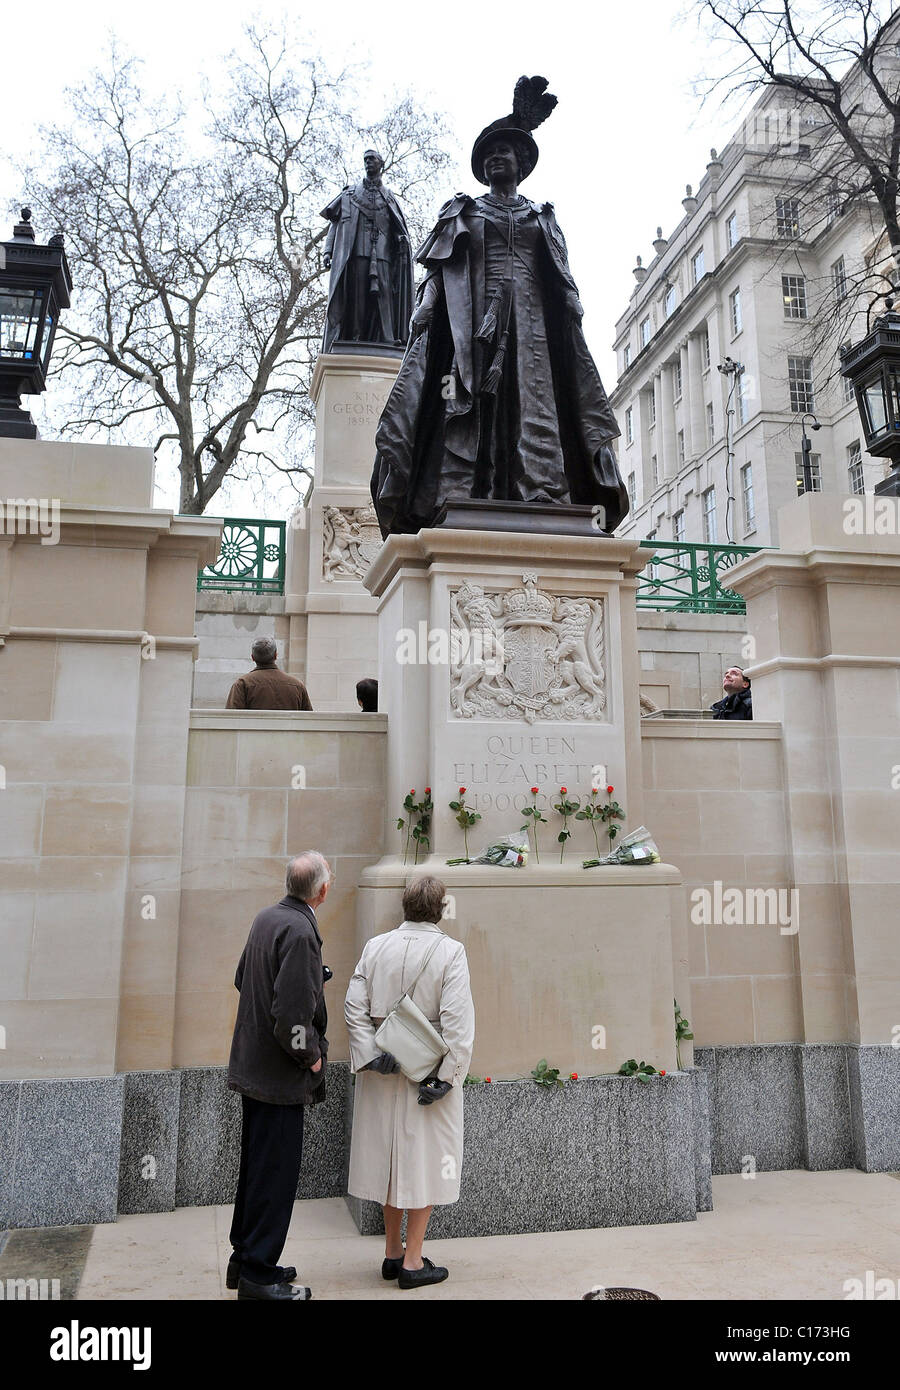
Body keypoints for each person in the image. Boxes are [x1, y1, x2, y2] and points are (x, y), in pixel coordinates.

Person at [370, 75, 628, 537]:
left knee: (536, 405)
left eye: (503, 152)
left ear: (521, 162)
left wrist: (571, 306)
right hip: (469, 332)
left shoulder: (540, 216)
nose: (494, 159)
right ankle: (461, 490)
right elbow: (438, 269)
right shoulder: (463, 211)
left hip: (533, 333)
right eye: (488, 154)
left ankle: (541, 491)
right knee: (456, 398)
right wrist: (426, 308)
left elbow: (560, 275)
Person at [344, 876, 475, 1290]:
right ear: (440, 909)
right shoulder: (451, 952)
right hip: (427, 1069)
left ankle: (391, 1253)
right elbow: (457, 1023)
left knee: (389, 1161)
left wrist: (370, 1054)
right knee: (423, 1164)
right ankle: (413, 1262)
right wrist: (447, 1076)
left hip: (384, 1065)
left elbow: (353, 1004)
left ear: (404, 906)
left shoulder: (375, 946)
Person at [227, 851, 332, 1301]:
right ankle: (258, 1277)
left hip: (254, 1069)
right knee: (274, 1175)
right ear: (321, 891)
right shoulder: (300, 930)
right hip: (278, 1078)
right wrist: (311, 1057)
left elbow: (242, 979)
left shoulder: (266, 917)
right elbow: (289, 1015)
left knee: (256, 1168)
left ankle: (246, 1260)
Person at [321, 149, 415, 352]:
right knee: (358, 297)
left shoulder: (389, 197)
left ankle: (388, 337)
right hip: (356, 253)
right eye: (365, 159)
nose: (367, 162)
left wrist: (401, 240)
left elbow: (395, 228)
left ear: (381, 163)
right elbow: (335, 224)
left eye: (371, 159)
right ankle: (355, 336)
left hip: (383, 255)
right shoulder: (350, 194)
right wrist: (327, 251)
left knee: (384, 296)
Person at [225, 636, 312, 711]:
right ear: (275, 655)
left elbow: (230, 719)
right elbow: (309, 720)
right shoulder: (297, 685)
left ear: (252, 657)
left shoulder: (242, 684)